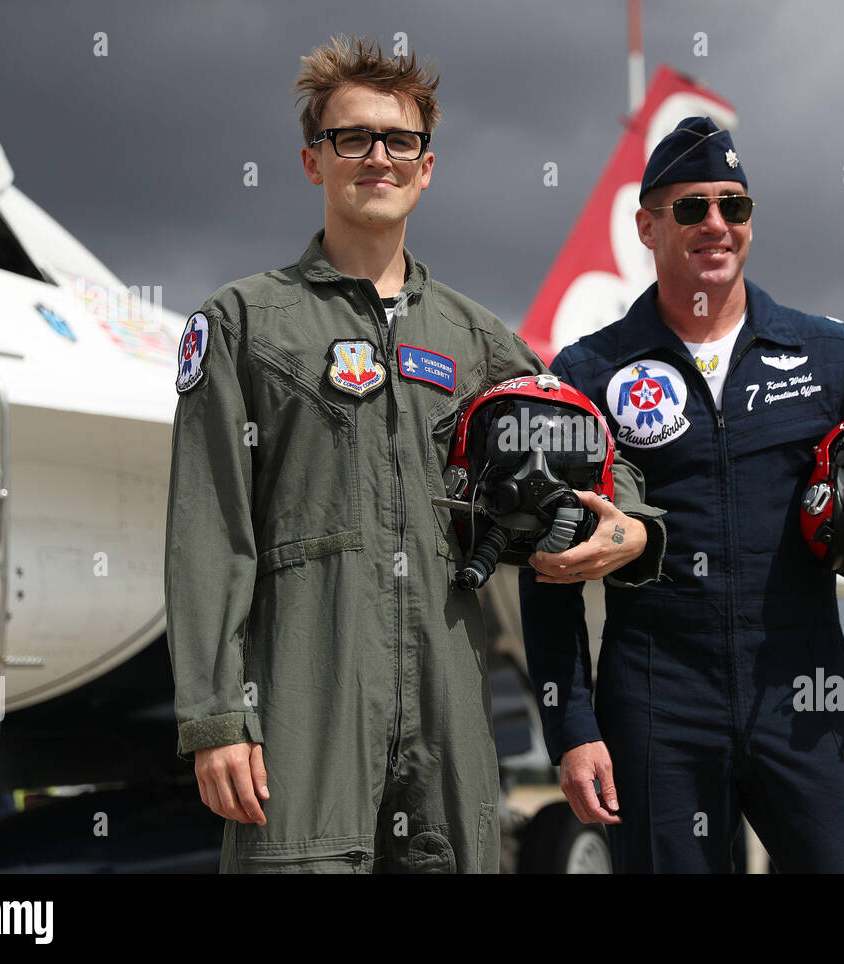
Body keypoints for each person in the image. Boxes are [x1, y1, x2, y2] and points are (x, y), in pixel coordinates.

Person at [164, 36, 664, 874]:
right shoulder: (244, 324)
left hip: (449, 699)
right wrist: (216, 717)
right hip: (305, 696)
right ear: (311, 161)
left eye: (399, 141)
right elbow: (210, 529)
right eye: (351, 138)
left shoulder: (477, 342)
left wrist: (634, 531)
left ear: (426, 169)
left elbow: (599, 458)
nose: (377, 158)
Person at [519, 117, 844, 873]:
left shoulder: (833, 354)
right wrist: (573, 728)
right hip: (657, 702)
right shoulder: (591, 372)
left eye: (733, 206)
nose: (716, 224)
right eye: (691, 209)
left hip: (805, 694)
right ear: (647, 226)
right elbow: (548, 570)